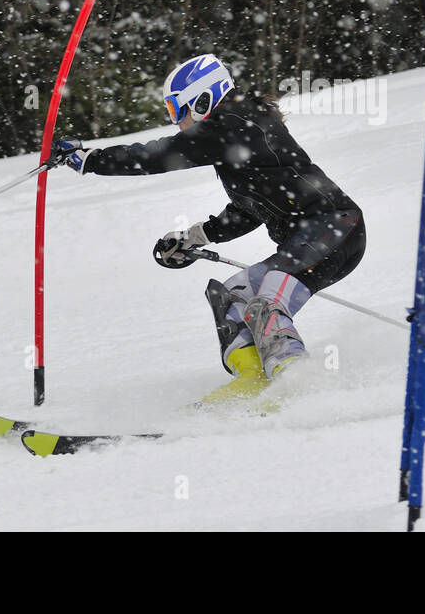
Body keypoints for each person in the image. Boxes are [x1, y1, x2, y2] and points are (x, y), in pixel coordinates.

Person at [52, 54, 365, 403]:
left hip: (336, 226)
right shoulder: (232, 133)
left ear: (203, 100)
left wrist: (91, 160)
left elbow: (159, 155)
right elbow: (250, 208)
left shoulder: (236, 120)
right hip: (309, 239)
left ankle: (295, 381)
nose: (176, 122)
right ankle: (254, 377)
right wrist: (193, 238)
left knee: (267, 295)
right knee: (232, 294)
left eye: (177, 110)